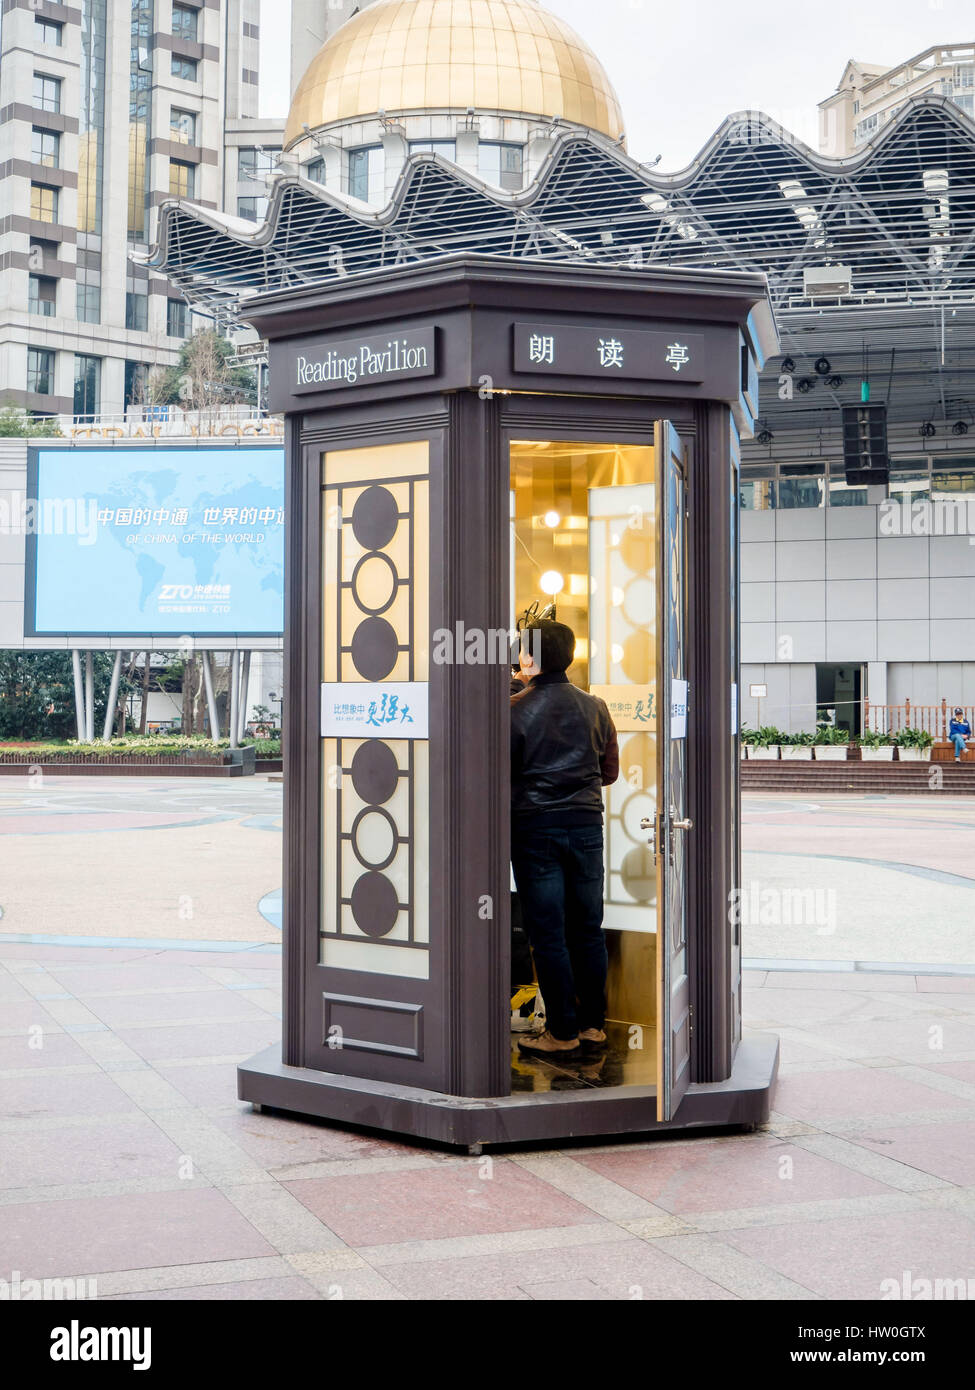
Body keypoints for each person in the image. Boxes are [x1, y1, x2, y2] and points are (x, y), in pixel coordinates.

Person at [510, 619, 619, 1056]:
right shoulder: (596, 706)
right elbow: (608, 772)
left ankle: (561, 1032)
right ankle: (593, 1026)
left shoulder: (513, 709)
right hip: (588, 826)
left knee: (548, 934)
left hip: (535, 830)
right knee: (588, 929)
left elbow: (501, 774)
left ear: (530, 657)